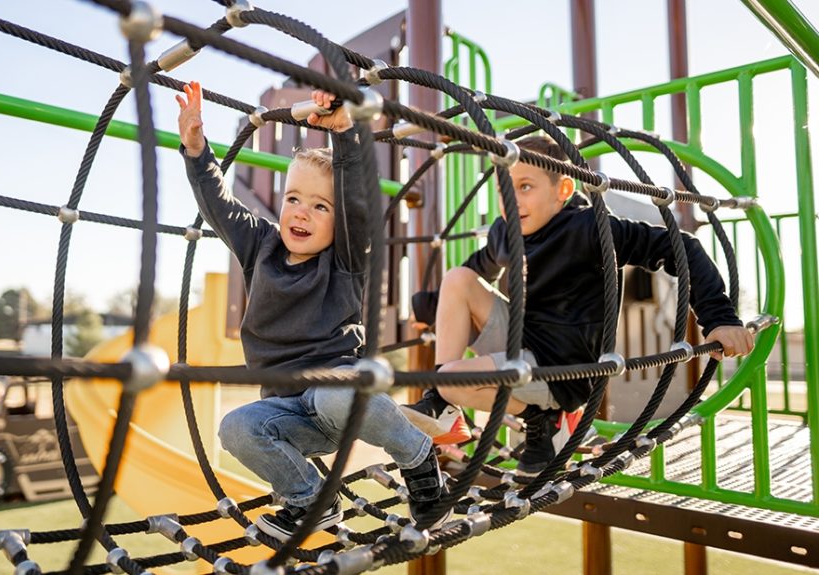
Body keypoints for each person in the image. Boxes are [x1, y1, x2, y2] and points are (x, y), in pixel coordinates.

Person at [176, 82, 448, 542]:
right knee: (236, 428)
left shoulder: (344, 259)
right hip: (289, 411)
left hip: (342, 397)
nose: (301, 213)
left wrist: (344, 132)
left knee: (334, 393)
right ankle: (310, 501)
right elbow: (218, 205)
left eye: (320, 206)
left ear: (338, 220)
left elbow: (358, 204)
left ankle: (418, 457)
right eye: (294, 199)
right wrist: (197, 149)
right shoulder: (259, 245)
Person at [403, 135, 755, 475]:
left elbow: (681, 247)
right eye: (503, 189)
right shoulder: (503, 232)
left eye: (525, 187)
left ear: (563, 191)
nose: (512, 199)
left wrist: (719, 317)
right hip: (522, 341)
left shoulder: (590, 229)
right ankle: (442, 404)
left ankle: (545, 419)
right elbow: (476, 274)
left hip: (565, 369)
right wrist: (428, 309)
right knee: (457, 277)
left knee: (452, 378)